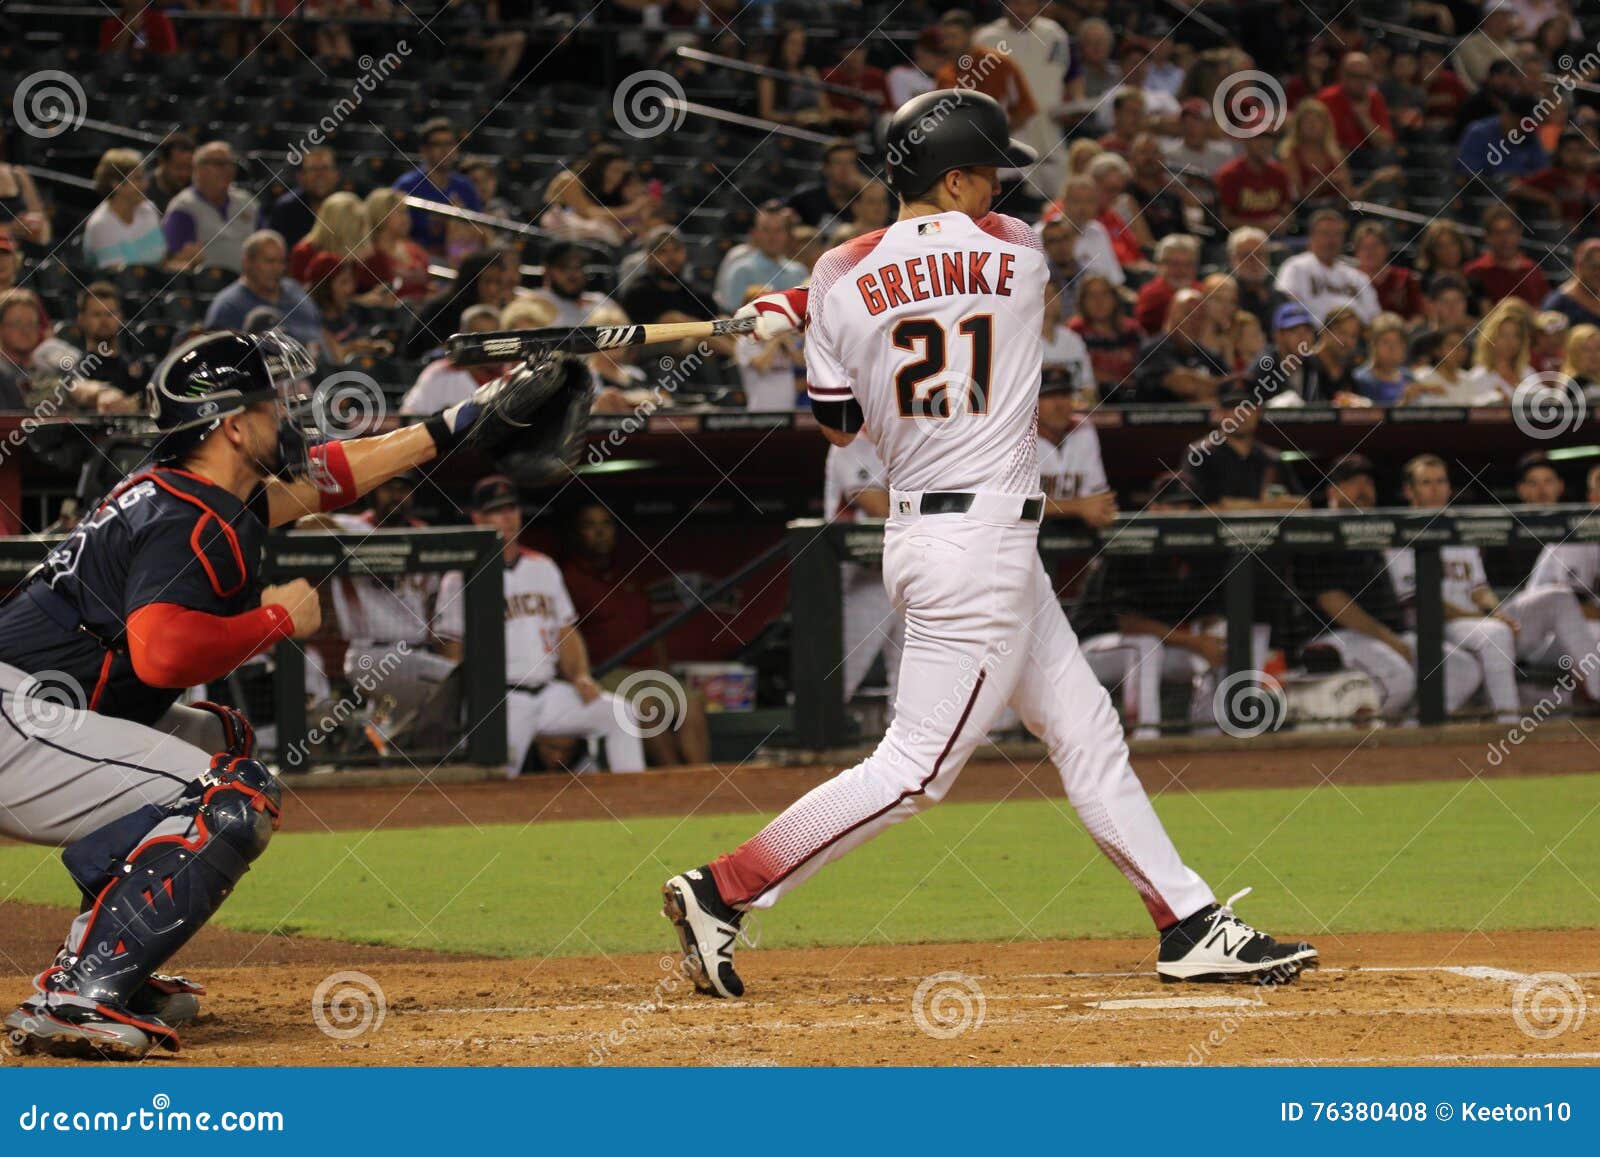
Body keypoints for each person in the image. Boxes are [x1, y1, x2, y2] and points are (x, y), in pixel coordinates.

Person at [664, 89, 1317, 1001]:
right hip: (981, 550)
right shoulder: (1018, 250)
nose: (994, 190)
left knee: (1086, 728)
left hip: (935, 535)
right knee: (913, 770)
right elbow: (942, 267)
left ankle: (1190, 922)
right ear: (952, 178)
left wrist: (801, 307)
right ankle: (723, 889)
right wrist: (809, 300)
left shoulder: (837, 275)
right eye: (982, 174)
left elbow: (840, 425)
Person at [0, 326, 526, 1058]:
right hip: (19, 716)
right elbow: (161, 654)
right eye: (269, 402)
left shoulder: (190, 491)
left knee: (224, 742)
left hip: (37, 711)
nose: (285, 413)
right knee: (229, 795)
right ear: (233, 426)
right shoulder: (186, 517)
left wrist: (460, 420)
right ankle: (77, 993)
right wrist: (276, 619)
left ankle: (111, 952)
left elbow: (329, 476)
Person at [434, 476, 646, 778]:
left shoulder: (543, 567)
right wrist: (460, 704)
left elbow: (565, 630)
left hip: (548, 694)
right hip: (500, 701)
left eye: (511, 509)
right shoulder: (459, 576)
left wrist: (580, 674)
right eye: (496, 511)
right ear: (477, 517)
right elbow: (452, 647)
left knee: (621, 713)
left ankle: (633, 797)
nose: (507, 517)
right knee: (495, 782)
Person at [1299, 454, 1464, 719]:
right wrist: (1387, 638)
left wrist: (1392, 637)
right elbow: (1332, 601)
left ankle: (1411, 730)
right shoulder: (1319, 532)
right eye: (1352, 482)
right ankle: (1345, 729)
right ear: (1332, 491)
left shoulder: (1374, 531)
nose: (1363, 489)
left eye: (1368, 483)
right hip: (1337, 636)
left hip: (1382, 634)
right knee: (1400, 678)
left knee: (1462, 667)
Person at [561, 502, 710, 767]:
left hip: (647, 670)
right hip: (606, 671)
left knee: (692, 703)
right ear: (576, 534)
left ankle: (703, 779)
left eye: (605, 524)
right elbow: (564, 635)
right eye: (590, 525)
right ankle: (674, 778)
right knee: (646, 706)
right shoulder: (569, 578)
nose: (600, 532)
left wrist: (663, 670)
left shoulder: (629, 574)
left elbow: (653, 629)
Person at [1384, 455, 1520, 722]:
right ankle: (1508, 721)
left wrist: (1496, 611)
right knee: (1495, 635)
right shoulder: (1399, 534)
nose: (1435, 489)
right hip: (1425, 626)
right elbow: (1420, 601)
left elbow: (1479, 589)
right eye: (1426, 482)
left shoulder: (1459, 530)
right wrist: (1483, 618)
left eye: (1440, 481)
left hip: (1466, 626)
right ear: (1409, 491)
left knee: (1499, 631)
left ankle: (1417, 725)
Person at [822, 429, 904, 709]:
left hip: (904, 575)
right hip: (859, 578)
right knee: (838, 677)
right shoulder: (849, 443)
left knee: (911, 685)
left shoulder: (905, 440)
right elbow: (879, 507)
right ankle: (814, 734)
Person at [975, 0, 1070, 201]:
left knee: (1056, 191)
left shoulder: (1055, 35)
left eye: (1028, 4)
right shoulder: (987, 38)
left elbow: (1065, 74)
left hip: (1048, 125)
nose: (1022, 10)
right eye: (1016, 3)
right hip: (1009, 127)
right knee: (1010, 193)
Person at [1182, 387, 1303, 510]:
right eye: (1231, 408)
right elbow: (1186, 508)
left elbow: (1303, 505)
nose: (1239, 414)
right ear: (1217, 413)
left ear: (1258, 411)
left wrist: (1249, 506)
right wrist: (1267, 506)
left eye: (1247, 407)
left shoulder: (1272, 458)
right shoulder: (1201, 454)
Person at [203, 231, 323, 352]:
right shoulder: (228, 306)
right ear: (247, 262)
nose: (278, 269)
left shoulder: (294, 289)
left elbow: (320, 328)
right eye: (270, 261)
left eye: (282, 262)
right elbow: (219, 353)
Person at [403, 246, 517, 358]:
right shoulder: (441, 311)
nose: (493, 289)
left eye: (498, 282)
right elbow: (441, 355)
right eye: (487, 281)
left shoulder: (501, 310)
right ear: (470, 281)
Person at [161, 141, 257, 273]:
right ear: (198, 169)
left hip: (253, 280)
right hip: (207, 283)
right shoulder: (184, 207)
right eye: (219, 164)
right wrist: (188, 263)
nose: (228, 169)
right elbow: (173, 264)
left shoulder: (247, 202)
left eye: (231, 163)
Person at [1037, 371, 1116, 527]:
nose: (1059, 405)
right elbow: (1011, 506)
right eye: (1049, 396)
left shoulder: (1084, 429)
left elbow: (1097, 497)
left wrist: (1102, 511)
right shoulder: (1018, 437)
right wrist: (1077, 507)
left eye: (1064, 395)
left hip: (1074, 531)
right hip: (1027, 535)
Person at [393, 118, 482, 255]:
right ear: (424, 150)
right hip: (416, 257)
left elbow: (479, 231)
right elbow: (394, 234)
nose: (445, 150)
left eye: (449, 144)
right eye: (437, 144)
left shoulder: (465, 187)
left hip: (459, 256)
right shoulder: (407, 186)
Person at [1274, 209, 1380, 325]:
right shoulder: (1295, 267)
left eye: (1337, 234)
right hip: (1314, 332)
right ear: (1312, 237)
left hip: (1358, 333)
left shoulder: (1357, 277)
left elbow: (1374, 315)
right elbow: (1287, 302)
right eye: (1325, 233)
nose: (1331, 240)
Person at [398, 304, 503, 414]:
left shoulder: (508, 375)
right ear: (463, 336)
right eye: (480, 336)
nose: (486, 343)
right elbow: (409, 414)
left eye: (493, 336)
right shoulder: (440, 373)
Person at [1133, 287, 1232, 404]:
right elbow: (1187, 386)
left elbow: (1232, 384)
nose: (1194, 322)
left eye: (1200, 317)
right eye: (1188, 314)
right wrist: (1217, 386)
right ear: (1171, 314)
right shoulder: (1153, 349)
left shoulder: (1207, 354)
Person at [81, 148, 168, 271]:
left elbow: (162, 262)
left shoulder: (149, 210)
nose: (145, 184)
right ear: (116, 184)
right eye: (138, 179)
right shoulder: (100, 224)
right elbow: (118, 275)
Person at [713, 202, 807, 313]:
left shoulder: (799, 272)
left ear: (787, 234)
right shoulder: (740, 271)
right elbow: (732, 316)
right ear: (755, 233)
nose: (772, 237)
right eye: (766, 230)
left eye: (778, 230)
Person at [1068, 272, 1142, 400]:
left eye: (1104, 294)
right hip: (1094, 397)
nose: (1099, 302)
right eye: (1091, 296)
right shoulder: (1074, 331)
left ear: (1115, 299)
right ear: (1082, 301)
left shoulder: (1131, 330)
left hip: (1133, 395)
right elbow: (1074, 371)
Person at [289, 190, 382, 292]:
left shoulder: (364, 254)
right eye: (357, 225)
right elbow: (302, 296)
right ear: (338, 227)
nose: (362, 230)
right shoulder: (305, 253)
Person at [1464, 206, 1550, 314]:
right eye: (1498, 233)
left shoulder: (1532, 269)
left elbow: (1545, 308)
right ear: (1487, 237)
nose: (1505, 239)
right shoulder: (1475, 272)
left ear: (1519, 233)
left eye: (1510, 232)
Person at [1511, 130, 1600, 229]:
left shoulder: (1594, 179)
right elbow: (1515, 188)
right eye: (1569, 150)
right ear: (1560, 153)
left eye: (1579, 150)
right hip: (1562, 232)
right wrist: (1549, 199)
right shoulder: (1551, 176)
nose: (1575, 156)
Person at [1214, 122, 1292, 235]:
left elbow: (1287, 212)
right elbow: (1224, 219)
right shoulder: (1229, 174)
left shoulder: (1279, 173)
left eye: (1269, 138)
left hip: (1276, 236)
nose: (1264, 144)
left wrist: (1284, 223)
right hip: (1241, 237)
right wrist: (1260, 225)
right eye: (1258, 138)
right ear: (1246, 141)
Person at [363, 187, 435, 302]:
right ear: (382, 215)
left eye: (406, 213)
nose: (407, 219)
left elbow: (429, 285)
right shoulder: (369, 256)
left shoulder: (414, 249)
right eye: (400, 213)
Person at [1463, 298, 1536, 403]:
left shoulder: (1528, 372)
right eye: (1503, 335)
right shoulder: (1477, 377)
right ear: (1490, 338)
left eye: (1515, 335)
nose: (1510, 341)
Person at [526, 242, 615, 328]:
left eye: (578, 266)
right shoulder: (533, 302)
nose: (573, 274)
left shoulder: (601, 300)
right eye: (564, 267)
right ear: (547, 270)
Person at [266, 148, 340, 250]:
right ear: (301, 176)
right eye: (313, 169)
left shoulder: (347, 209)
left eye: (325, 168)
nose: (320, 175)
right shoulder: (285, 208)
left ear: (336, 175)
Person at [755, 23, 826, 127]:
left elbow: (825, 108)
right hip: (786, 131)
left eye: (801, 44)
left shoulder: (811, 72)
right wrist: (795, 118)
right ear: (781, 45)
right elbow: (766, 115)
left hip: (815, 127)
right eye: (792, 43)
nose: (797, 49)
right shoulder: (769, 76)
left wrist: (820, 118)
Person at [786, 140, 866, 233]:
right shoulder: (806, 198)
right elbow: (781, 211)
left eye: (851, 162)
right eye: (838, 162)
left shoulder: (867, 198)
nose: (845, 169)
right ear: (826, 168)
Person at [1353, 221, 1423, 320]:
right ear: (1356, 252)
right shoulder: (1349, 282)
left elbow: (1418, 316)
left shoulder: (1404, 278)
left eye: (1375, 245)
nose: (1370, 251)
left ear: (1386, 248)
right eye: (1364, 247)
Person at [1134, 234, 1201, 336]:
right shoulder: (1151, 295)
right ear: (1159, 264)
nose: (1181, 270)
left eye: (1188, 264)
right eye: (1174, 264)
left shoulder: (1203, 290)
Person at [1352, 312, 1415, 404]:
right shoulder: (1360, 379)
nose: (1392, 348)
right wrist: (1404, 402)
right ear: (1374, 345)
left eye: (1398, 342)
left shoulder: (1408, 377)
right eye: (1386, 342)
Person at [1541, 237, 1600, 328]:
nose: (1598, 273)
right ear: (1579, 265)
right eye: (1594, 267)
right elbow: (1549, 334)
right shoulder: (1558, 304)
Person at [147, 135, 194, 216]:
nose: (184, 174)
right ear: (162, 162)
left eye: (189, 167)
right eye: (178, 167)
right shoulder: (143, 190)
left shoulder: (195, 189)